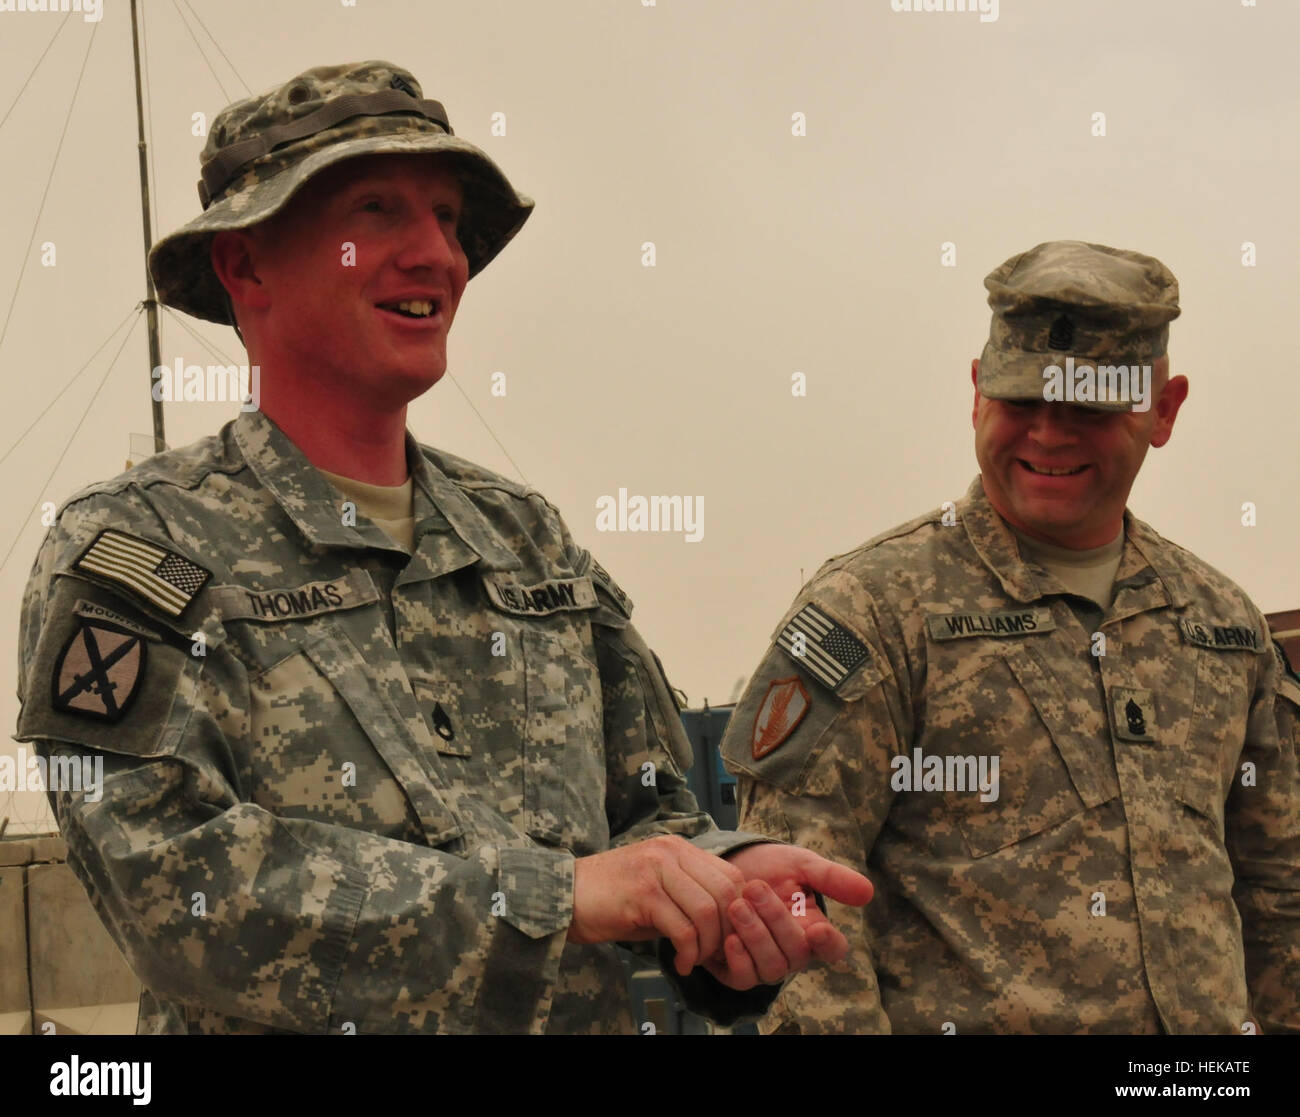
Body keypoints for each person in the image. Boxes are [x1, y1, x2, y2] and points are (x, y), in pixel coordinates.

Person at [14, 60, 871, 1035]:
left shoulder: (526, 537)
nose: (438, 254)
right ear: (246, 265)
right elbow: (176, 890)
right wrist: (550, 902)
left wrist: (723, 890)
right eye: (376, 211)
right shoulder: (140, 550)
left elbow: (645, 818)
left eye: (448, 219)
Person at [721, 240, 1300, 1034]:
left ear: (1164, 410)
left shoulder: (1223, 627)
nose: (1050, 434)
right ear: (974, 392)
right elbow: (798, 910)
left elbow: (1278, 896)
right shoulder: (875, 610)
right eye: (1022, 400)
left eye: (1090, 407)